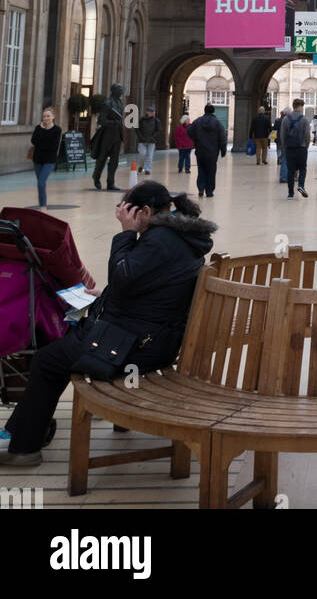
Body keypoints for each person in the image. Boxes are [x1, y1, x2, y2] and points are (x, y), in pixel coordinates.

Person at [1, 180, 216, 468]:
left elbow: (123, 274)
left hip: (139, 347)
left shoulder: (159, 239)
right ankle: (21, 432)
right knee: (63, 345)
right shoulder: (176, 235)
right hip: (152, 336)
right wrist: (108, 293)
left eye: (126, 210)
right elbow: (150, 283)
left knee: (47, 359)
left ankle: (24, 448)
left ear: (144, 211)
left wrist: (126, 234)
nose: (121, 215)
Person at [91, 82, 124, 191]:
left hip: (117, 134)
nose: (122, 91)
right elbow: (101, 120)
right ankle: (96, 177)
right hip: (107, 134)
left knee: (115, 160)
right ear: (114, 90)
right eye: (120, 89)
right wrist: (114, 122)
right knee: (102, 158)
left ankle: (111, 183)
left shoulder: (120, 102)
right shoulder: (107, 103)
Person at [188, 102, 226, 198]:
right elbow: (222, 137)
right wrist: (223, 149)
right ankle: (209, 191)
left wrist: (196, 140)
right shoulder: (217, 123)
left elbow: (189, 131)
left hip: (200, 150)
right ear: (213, 111)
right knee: (211, 171)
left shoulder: (197, 122)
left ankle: (201, 188)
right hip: (212, 152)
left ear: (204, 111)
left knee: (201, 170)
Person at [29, 107, 62, 211]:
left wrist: (41, 140)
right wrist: (42, 131)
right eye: (44, 116)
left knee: (41, 183)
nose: (46, 118)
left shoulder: (57, 130)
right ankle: (41, 205)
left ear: (53, 117)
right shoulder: (38, 128)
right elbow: (33, 141)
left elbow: (52, 146)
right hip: (37, 160)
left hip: (49, 160)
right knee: (40, 184)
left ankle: (43, 206)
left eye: (48, 116)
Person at [280, 99, 310, 199]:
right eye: (302, 106)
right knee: (302, 168)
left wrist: (285, 147)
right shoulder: (304, 119)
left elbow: (282, 135)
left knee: (290, 171)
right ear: (300, 106)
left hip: (290, 148)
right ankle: (301, 185)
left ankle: (290, 194)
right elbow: (307, 135)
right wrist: (306, 146)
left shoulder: (285, 119)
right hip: (301, 148)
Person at [136, 104, 162, 176]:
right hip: (142, 140)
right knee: (142, 154)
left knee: (150, 155)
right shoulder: (141, 120)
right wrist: (141, 137)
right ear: (147, 112)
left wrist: (152, 137)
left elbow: (158, 130)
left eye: (153, 111)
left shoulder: (156, 120)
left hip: (151, 141)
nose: (152, 113)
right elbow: (137, 129)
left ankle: (147, 169)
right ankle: (141, 166)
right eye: (151, 111)